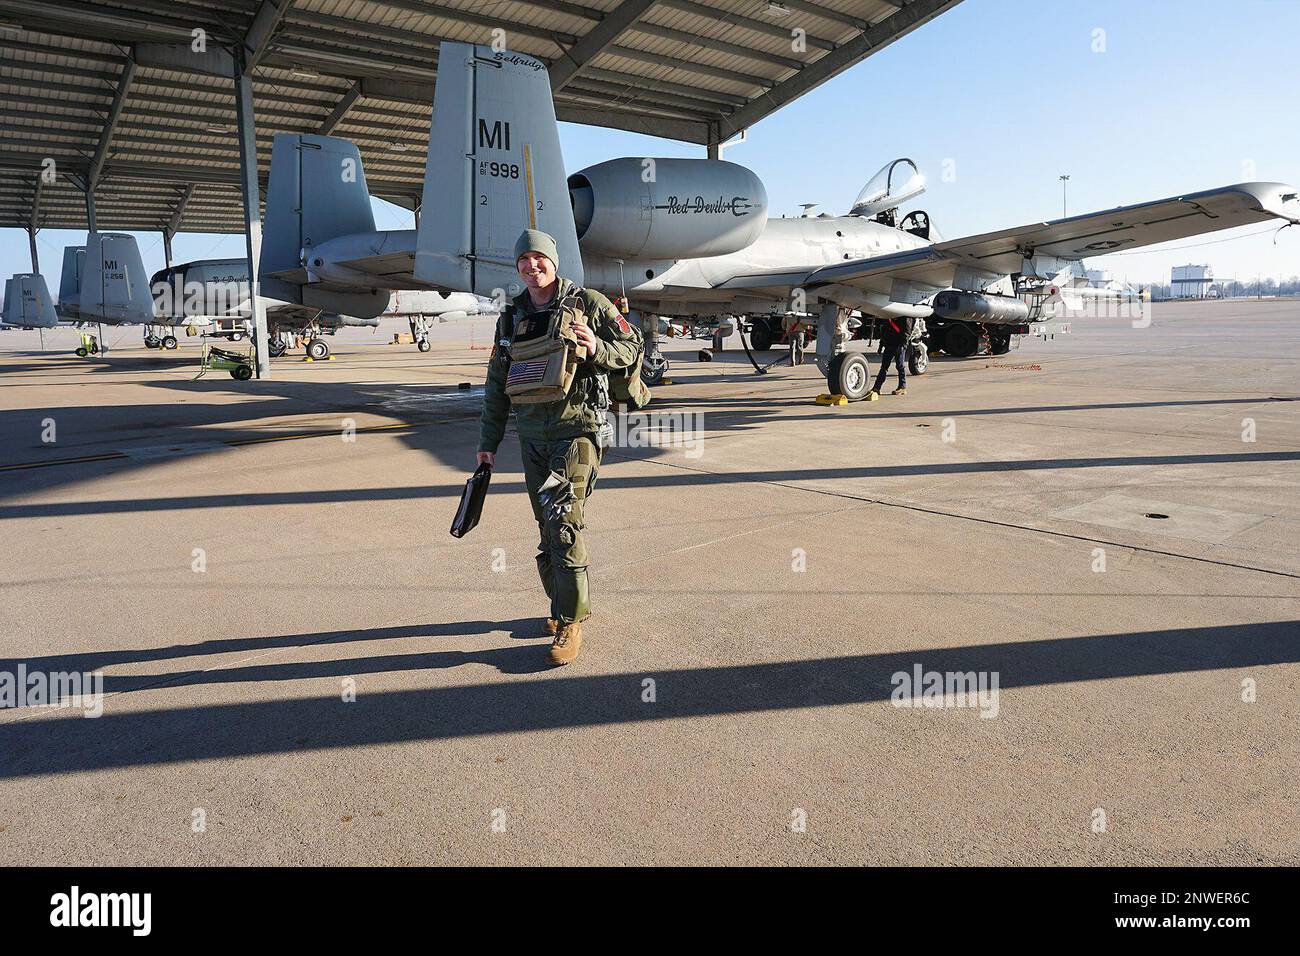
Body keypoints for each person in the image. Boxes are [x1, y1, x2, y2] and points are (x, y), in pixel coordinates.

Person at [477, 229, 642, 665]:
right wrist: (487, 443)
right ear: (517, 268)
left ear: (553, 261)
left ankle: (571, 621)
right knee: (546, 527)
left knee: (564, 521)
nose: (532, 267)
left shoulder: (587, 303)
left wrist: (596, 347)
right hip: (532, 434)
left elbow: (632, 346)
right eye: (524, 261)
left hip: (577, 431)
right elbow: (497, 383)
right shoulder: (511, 317)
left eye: (539, 259)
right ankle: (563, 604)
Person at [867, 315, 912, 400]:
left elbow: (907, 332)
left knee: (900, 366)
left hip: (899, 345)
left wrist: (903, 346)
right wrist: (881, 346)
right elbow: (885, 331)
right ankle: (877, 388)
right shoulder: (888, 316)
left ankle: (902, 387)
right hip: (889, 344)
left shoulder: (905, 317)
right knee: (884, 367)